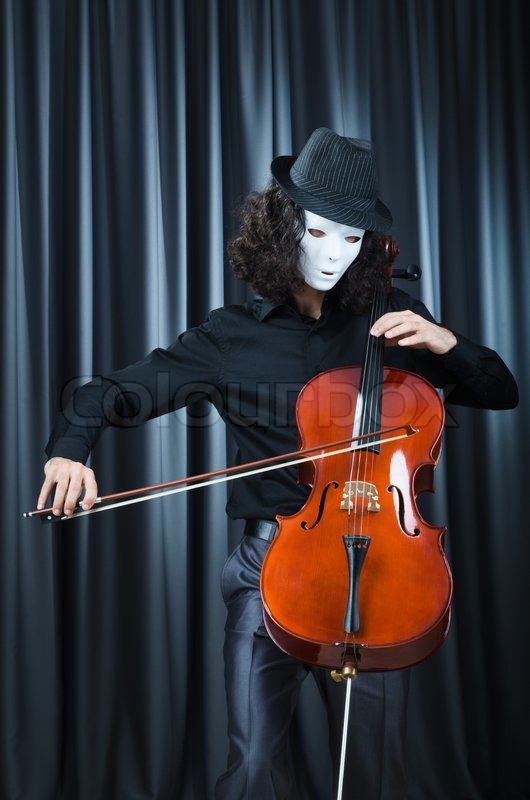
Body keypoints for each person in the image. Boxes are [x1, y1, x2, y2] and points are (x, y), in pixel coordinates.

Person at [37, 128, 518, 799]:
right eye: (319, 232)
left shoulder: (395, 321)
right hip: (269, 570)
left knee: (376, 773)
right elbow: (110, 393)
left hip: (380, 570)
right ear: (284, 227)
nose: (334, 254)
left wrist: (447, 342)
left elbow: (499, 390)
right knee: (253, 767)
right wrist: (70, 452)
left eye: (351, 239)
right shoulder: (229, 338)